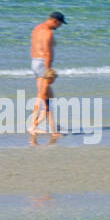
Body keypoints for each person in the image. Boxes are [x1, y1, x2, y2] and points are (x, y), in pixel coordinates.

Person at [29, 11, 66, 144]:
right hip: (42, 64)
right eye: (60, 24)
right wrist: (48, 69)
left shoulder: (37, 28)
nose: (60, 27)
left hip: (35, 62)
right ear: (55, 21)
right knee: (43, 97)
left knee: (47, 98)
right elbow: (46, 52)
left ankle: (42, 125)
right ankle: (35, 126)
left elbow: (34, 47)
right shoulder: (48, 33)